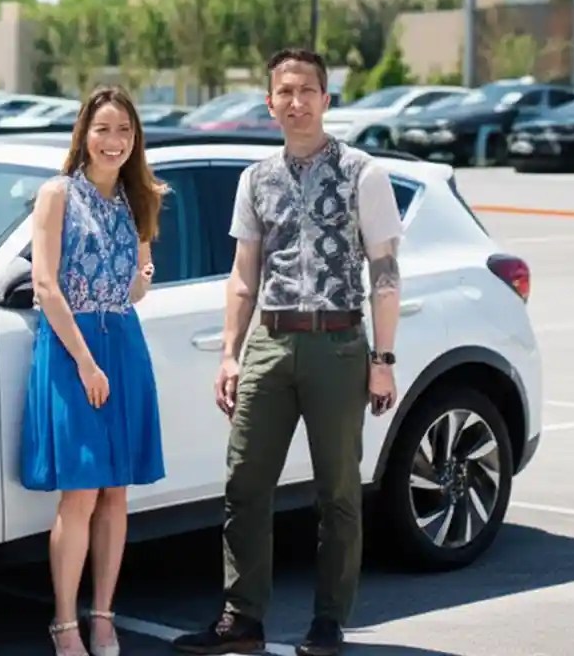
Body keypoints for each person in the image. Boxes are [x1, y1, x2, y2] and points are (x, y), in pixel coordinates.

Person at [171, 48, 403, 656]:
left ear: (327, 99)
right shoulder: (256, 179)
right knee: (245, 484)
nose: (296, 102)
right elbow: (243, 276)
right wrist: (230, 354)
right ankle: (242, 620)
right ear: (269, 103)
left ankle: (329, 621)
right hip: (270, 344)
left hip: (338, 343)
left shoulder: (363, 173)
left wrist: (384, 360)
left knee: (338, 492)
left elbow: (385, 272)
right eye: (284, 92)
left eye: (307, 90)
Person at [19, 85, 168, 656]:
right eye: (103, 129)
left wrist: (144, 274)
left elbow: (133, 287)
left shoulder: (137, 200)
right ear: (84, 133)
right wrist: (84, 361)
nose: (114, 142)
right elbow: (45, 284)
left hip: (123, 341)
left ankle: (103, 616)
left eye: (125, 131)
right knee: (80, 493)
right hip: (71, 345)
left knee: (115, 492)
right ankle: (64, 622)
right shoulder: (57, 194)